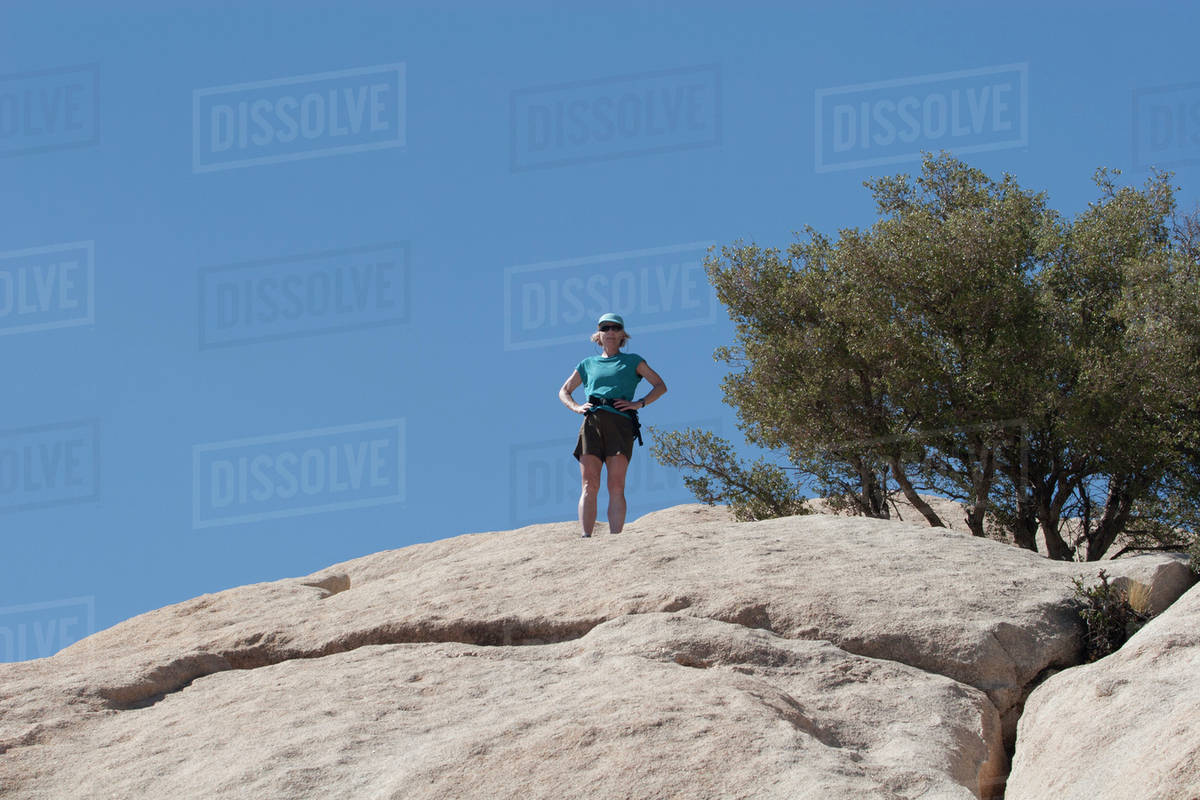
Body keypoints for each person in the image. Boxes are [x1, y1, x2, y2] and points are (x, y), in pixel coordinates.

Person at [558, 313, 667, 538]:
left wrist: (639, 403)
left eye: (615, 328)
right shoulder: (587, 364)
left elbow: (660, 385)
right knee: (590, 483)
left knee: (616, 484)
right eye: (604, 328)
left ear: (622, 334)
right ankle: (586, 537)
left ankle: (615, 537)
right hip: (592, 421)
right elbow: (564, 390)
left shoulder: (633, 361)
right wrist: (577, 407)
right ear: (598, 334)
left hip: (621, 422)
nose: (609, 332)